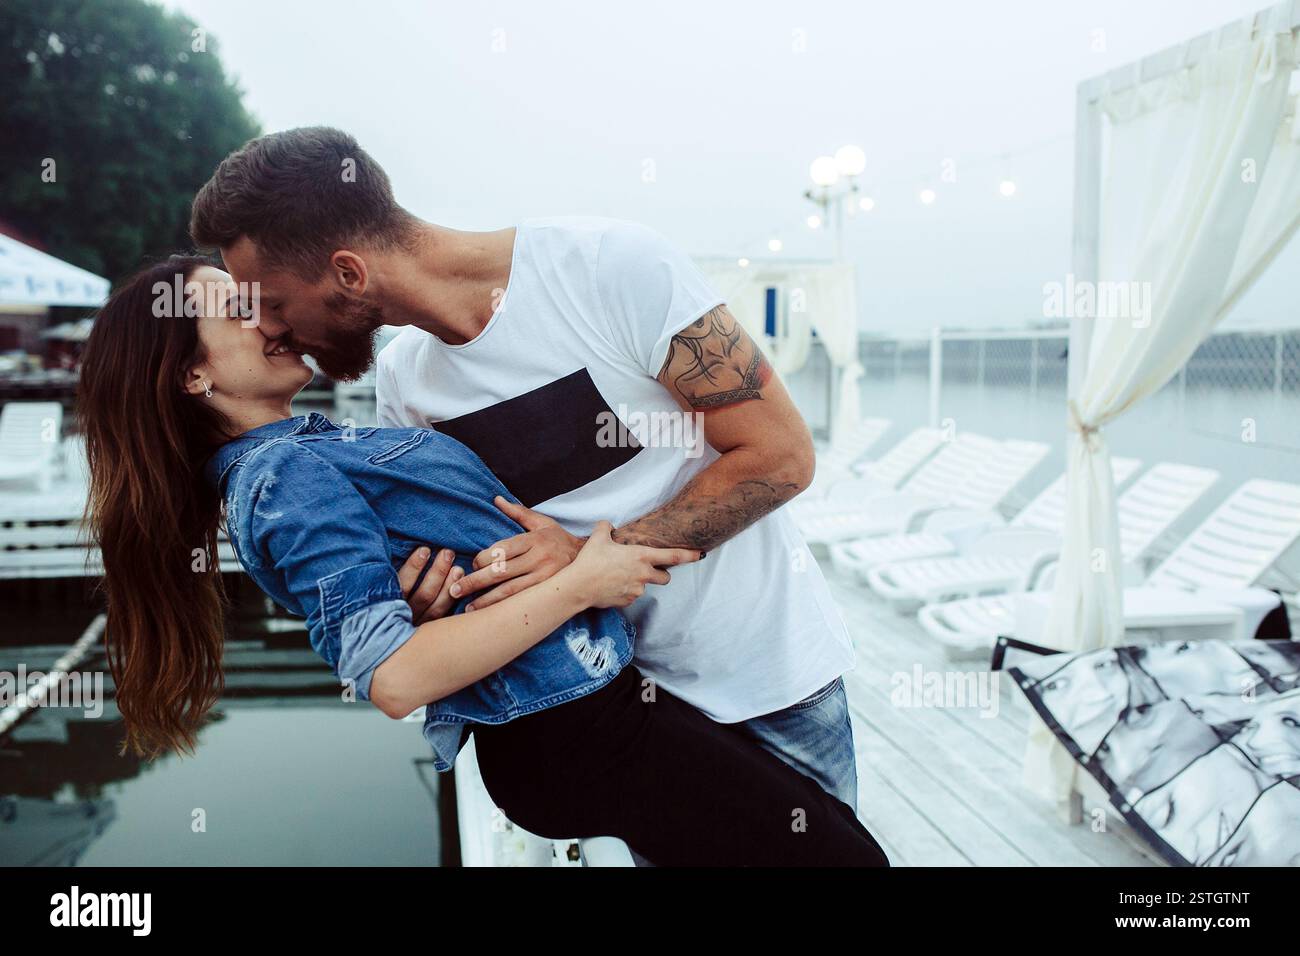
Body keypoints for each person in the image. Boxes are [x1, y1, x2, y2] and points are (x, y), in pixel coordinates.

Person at [78, 257, 889, 867]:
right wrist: (581, 581)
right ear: (193, 372)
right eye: (237, 310)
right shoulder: (282, 476)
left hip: (588, 712)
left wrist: (439, 599)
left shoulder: (300, 450)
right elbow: (392, 676)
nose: (267, 316)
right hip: (570, 730)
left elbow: (408, 606)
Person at [189, 126, 861, 808]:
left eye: (271, 303)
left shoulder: (611, 268)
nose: (270, 329)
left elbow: (779, 457)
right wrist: (429, 602)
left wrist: (588, 558)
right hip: (612, 711)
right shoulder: (403, 383)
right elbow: (441, 583)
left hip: (768, 682)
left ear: (348, 273)